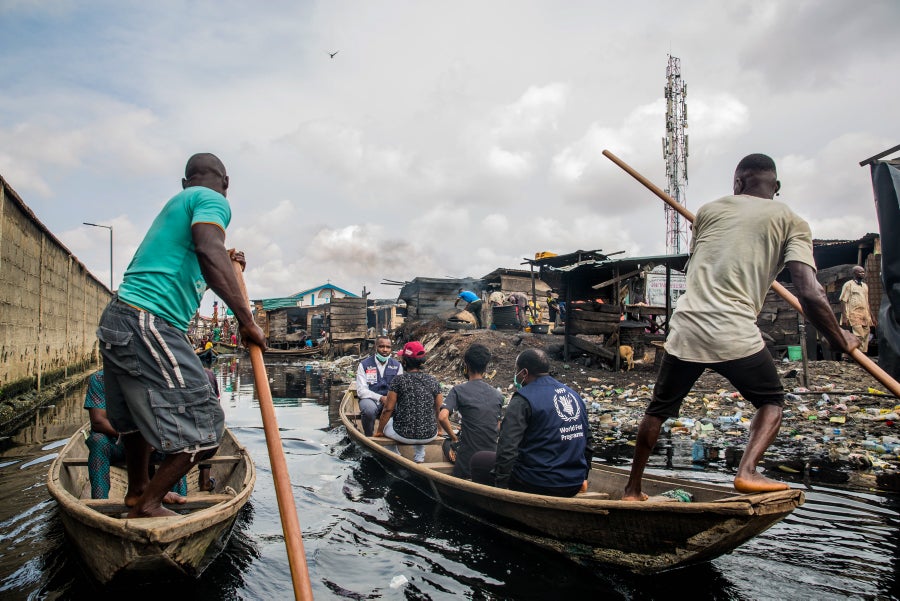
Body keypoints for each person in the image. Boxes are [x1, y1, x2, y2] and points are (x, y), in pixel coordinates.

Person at [622, 153, 859, 500]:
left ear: (737, 184)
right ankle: (747, 471)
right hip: (734, 330)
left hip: (686, 326)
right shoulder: (792, 220)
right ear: (775, 187)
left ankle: (632, 489)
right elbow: (810, 291)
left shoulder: (708, 211)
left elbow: (710, 256)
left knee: (657, 411)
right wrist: (840, 339)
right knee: (771, 401)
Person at [96, 153, 267, 518]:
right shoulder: (212, 201)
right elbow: (208, 248)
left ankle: (139, 489)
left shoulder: (178, 205)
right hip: (148, 321)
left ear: (184, 182)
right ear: (226, 183)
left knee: (132, 421)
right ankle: (148, 504)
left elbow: (198, 260)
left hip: (118, 318)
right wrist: (246, 319)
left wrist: (225, 259)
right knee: (205, 428)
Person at [472, 349, 590, 497]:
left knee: (479, 459)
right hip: (573, 483)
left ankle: (488, 509)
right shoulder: (574, 396)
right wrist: (583, 477)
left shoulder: (522, 399)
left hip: (537, 483)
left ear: (524, 373)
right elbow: (588, 443)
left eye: (517, 370)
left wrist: (500, 486)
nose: (516, 375)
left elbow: (507, 447)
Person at [83, 370, 188, 500]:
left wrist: (154, 437)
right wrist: (135, 438)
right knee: (98, 441)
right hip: (117, 444)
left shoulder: (158, 377)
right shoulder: (100, 379)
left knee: (178, 443)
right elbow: (98, 422)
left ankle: (182, 506)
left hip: (155, 444)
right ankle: (100, 505)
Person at [438, 344, 504, 479]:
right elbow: (498, 426)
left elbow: (442, 417)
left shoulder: (458, 390)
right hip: (492, 458)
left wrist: (455, 438)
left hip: (467, 463)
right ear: (485, 367)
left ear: (466, 365)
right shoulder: (498, 395)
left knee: (446, 443)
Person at [375, 341, 442, 463]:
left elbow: (388, 409)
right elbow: (438, 409)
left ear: (404, 362)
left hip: (403, 435)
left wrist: (379, 431)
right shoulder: (433, 381)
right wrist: (440, 430)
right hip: (430, 434)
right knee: (421, 416)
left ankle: (394, 453)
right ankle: (419, 456)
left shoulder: (398, 380)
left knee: (387, 424)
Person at [355, 335, 403, 436]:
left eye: (388, 347)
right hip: (370, 399)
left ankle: (394, 434)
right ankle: (369, 436)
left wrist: (390, 399)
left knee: (402, 408)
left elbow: (400, 389)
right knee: (369, 410)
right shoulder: (364, 365)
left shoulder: (397, 366)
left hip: (390, 400)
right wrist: (380, 397)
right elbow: (361, 391)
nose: (385, 350)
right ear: (375, 347)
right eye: (381, 346)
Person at [840, 265, 877, 354]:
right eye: (860, 272)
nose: (862, 273)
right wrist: (845, 317)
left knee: (866, 334)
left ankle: (863, 354)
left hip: (865, 314)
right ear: (854, 273)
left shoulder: (865, 286)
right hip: (854, 314)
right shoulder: (848, 285)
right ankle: (856, 355)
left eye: (863, 272)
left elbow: (867, 302)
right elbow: (843, 300)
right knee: (858, 335)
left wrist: (872, 317)